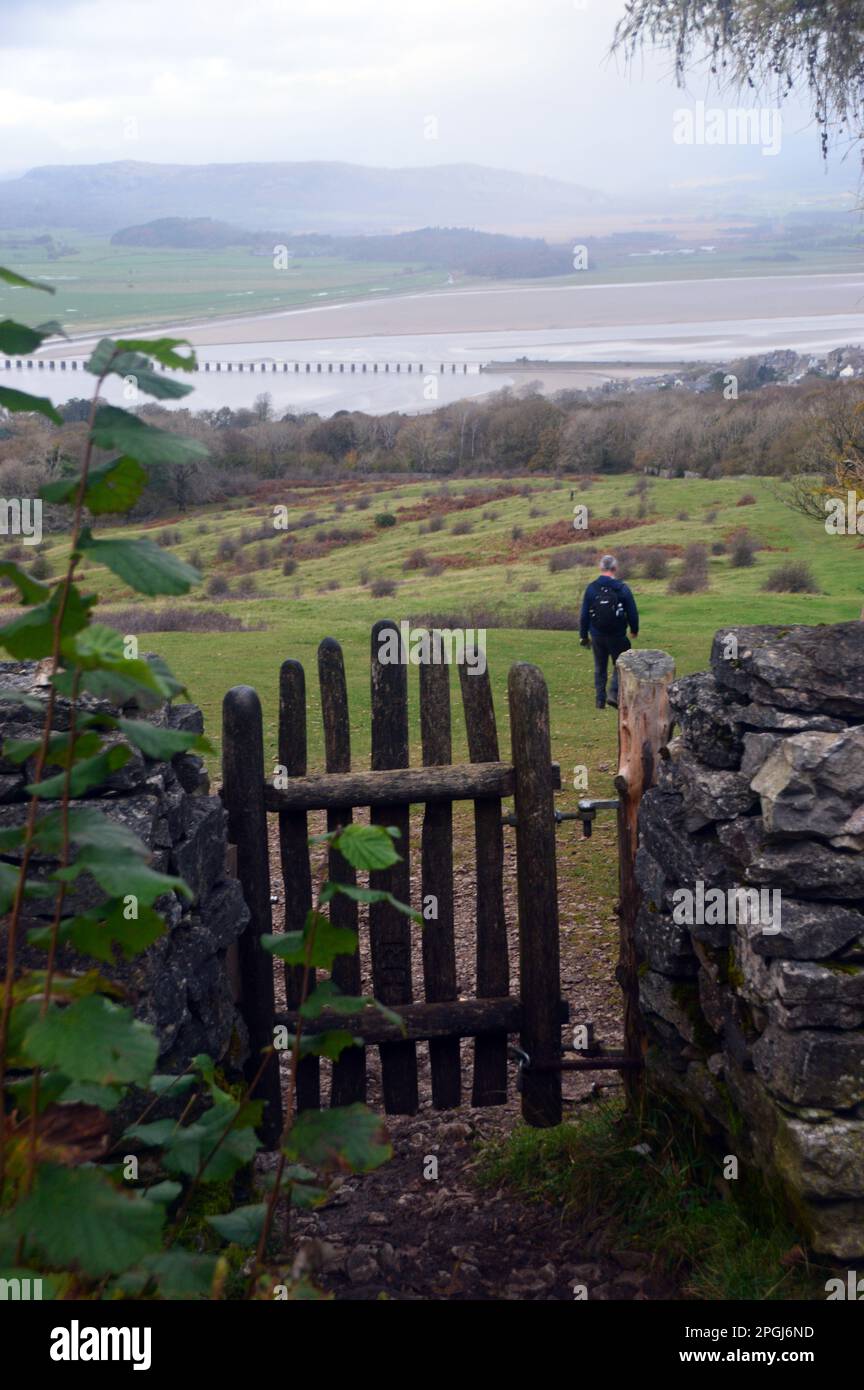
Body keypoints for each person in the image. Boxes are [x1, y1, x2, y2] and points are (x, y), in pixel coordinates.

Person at [579, 554, 639, 709]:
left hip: (597, 634)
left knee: (600, 667)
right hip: (617, 634)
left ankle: (600, 700)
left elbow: (584, 614)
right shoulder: (622, 588)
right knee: (622, 663)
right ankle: (613, 692)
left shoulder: (591, 588)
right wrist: (634, 629)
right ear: (615, 568)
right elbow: (632, 611)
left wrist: (583, 636)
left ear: (600, 568)